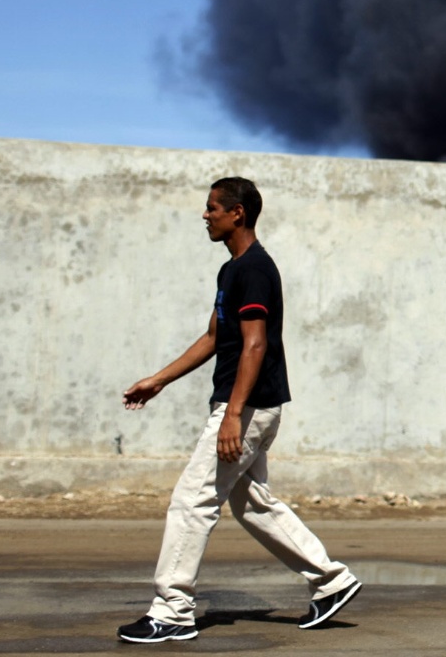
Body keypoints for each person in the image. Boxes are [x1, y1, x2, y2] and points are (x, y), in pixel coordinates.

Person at [116, 177, 361, 644]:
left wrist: (232, 414)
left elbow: (255, 343)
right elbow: (214, 338)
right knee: (250, 503)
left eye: (212, 208)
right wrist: (158, 380)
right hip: (250, 406)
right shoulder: (232, 271)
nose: (205, 215)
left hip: (245, 409)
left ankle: (173, 610)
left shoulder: (254, 270)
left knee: (192, 502)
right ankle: (332, 582)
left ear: (237, 214)